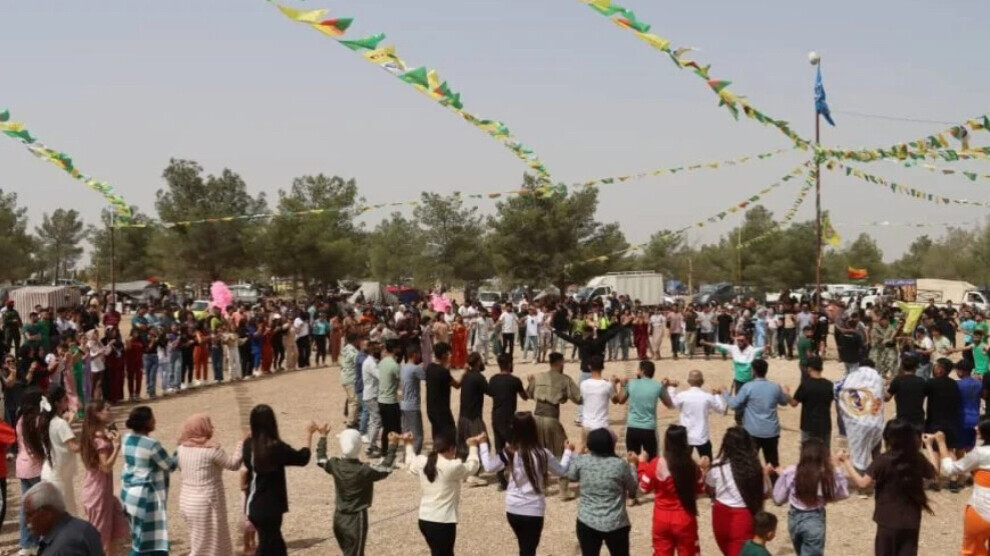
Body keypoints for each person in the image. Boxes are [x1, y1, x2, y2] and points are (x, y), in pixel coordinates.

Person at [839, 419, 937, 556]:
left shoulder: (883, 460)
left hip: (887, 519)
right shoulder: (917, 458)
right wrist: (930, 446)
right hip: (911, 520)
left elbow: (862, 483)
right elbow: (934, 473)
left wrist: (846, 462)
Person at [479, 415, 573, 556]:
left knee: (524, 547)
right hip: (533, 509)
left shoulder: (510, 452)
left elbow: (488, 466)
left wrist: (483, 444)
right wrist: (568, 451)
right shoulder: (542, 453)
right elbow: (561, 470)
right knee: (528, 550)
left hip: (513, 508)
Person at [315, 424, 400, 556]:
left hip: (338, 516)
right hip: (356, 518)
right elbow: (386, 468)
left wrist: (323, 436)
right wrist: (393, 445)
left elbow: (321, 459)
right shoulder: (364, 470)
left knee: (347, 551)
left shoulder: (335, 464)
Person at [242, 404, 315, 556]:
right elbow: (303, 458)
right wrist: (308, 435)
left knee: (275, 545)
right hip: (271, 507)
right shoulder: (276, 448)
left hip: (253, 504)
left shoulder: (249, 445)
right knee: (269, 546)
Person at [636, 424, 709, 556]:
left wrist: (641, 464)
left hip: (662, 518)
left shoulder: (656, 464)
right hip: (685, 518)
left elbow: (643, 487)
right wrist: (704, 470)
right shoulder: (692, 465)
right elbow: (701, 489)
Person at [407, 430, 483, 556]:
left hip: (424, 518)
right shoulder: (451, 467)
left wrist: (408, 444)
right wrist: (473, 447)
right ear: (451, 449)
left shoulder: (422, 461)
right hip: (442, 521)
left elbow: (410, 462)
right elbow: (472, 467)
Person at [176, 413, 243, 556]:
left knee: (198, 540)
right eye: (209, 425)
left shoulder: (180, 449)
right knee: (213, 542)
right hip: (207, 502)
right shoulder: (211, 450)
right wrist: (241, 446)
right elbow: (233, 464)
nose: (212, 427)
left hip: (187, 501)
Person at [566, 428, 638, 556]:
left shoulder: (583, 461)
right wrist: (633, 465)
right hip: (616, 522)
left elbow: (571, 475)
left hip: (587, 520)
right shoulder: (619, 465)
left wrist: (576, 454)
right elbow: (632, 488)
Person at [771, 438, 849, 555]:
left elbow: (778, 498)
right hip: (814, 519)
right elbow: (843, 493)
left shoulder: (791, 472)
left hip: (794, 518)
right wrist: (837, 467)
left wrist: (783, 476)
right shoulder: (825, 476)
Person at [706, 426, 772, 556]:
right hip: (743, 518)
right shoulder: (754, 468)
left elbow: (709, 488)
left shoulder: (717, 465)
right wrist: (766, 475)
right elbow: (766, 493)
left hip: (720, 515)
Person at [120, 406, 177, 555]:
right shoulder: (151, 444)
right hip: (146, 497)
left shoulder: (126, 439)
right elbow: (169, 465)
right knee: (150, 544)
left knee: (137, 538)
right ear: (146, 422)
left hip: (129, 494)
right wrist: (179, 450)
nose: (154, 421)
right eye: (152, 418)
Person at [526, 352, 582, 499]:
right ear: (561, 363)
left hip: (536, 418)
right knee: (562, 452)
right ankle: (563, 490)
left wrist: (530, 381)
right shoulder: (565, 379)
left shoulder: (538, 377)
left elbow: (529, 394)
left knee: (538, 452)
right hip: (551, 419)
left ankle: (541, 486)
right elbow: (579, 398)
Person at [931, 418, 990, 555]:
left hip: (980, 511)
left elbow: (950, 469)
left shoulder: (980, 453)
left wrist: (941, 443)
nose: (976, 428)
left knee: (971, 550)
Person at [79, 400, 128, 554]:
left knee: (112, 530)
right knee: (100, 536)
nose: (110, 410)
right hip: (99, 491)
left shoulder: (92, 434)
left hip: (97, 488)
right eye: (106, 409)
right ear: (97, 414)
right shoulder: (99, 441)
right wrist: (117, 447)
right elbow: (106, 467)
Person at [726, 359, 790, 469]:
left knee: (749, 462)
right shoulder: (775, 387)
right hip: (771, 431)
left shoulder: (748, 387)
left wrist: (724, 393)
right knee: (772, 463)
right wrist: (786, 393)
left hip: (752, 431)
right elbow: (784, 402)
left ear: (754, 371)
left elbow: (734, 404)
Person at [612, 359, 674, 460]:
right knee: (650, 460)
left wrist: (622, 386)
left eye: (638, 369)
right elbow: (669, 403)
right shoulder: (658, 386)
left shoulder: (631, 383)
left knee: (632, 459)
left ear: (642, 371)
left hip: (633, 427)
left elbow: (621, 400)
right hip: (649, 428)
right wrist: (665, 387)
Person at [486, 353, 529, 490]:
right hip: (509, 418)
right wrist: (531, 383)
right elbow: (525, 397)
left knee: (499, 447)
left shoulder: (493, 379)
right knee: (518, 446)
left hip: (496, 416)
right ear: (510, 364)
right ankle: (522, 475)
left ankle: (501, 480)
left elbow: (491, 393)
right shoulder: (514, 380)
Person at [25, 481, 103, 555]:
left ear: (47, 513)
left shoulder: (60, 549)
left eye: (29, 515)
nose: (26, 521)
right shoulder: (86, 528)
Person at [36, 387, 80, 516]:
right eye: (64, 400)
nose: (67, 402)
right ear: (57, 403)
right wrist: (90, 441)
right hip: (60, 476)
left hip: (49, 471)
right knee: (66, 514)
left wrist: (69, 422)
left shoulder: (44, 421)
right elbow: (74, 447)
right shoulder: (60, 424)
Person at [670, 370, 727, 460]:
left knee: (684, 464)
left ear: (688, 381)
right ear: (702, 382)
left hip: (686, 436)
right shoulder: (707, 397)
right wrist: (717, 395)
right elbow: (721, 409)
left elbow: (671, 405)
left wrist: (672, 388)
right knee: (707, 464)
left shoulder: (682, 395)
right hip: (702, 436)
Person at [925, 357, 963, 489]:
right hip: (951, 421)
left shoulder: (931, 383)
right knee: (950, 449)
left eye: (936, 366)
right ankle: (953, 479)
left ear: (940, 369)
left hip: (935, 420)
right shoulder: (954, 384)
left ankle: (935, 480)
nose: (934, 368)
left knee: (935, 450)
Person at [16, 388, 45, 555]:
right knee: (41, 507)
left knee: (25, 508)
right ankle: (41, 541)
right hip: (36, 467)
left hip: (22, 466)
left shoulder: (20, 420)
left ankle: (26, 544)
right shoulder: (37, 420)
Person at [456, 352, 488, 487]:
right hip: (474, 416)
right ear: (478, 362)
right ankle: (473, 474)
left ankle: (463, 472)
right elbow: (490, 390)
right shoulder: (479, 377)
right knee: (481, 443)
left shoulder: (467, 376)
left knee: (463, 445)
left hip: (463, 415)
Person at [786, 356, 834, 447]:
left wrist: (787, 394)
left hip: (808, 425)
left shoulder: (805, 385)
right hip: (825, 424)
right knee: (824, 455)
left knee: (807, 456)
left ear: (809, 368)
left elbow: (794, 403)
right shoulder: (829, 385)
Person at [425, 343, 460, 442]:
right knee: (449, 436)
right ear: (444, 355)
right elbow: (457, 385)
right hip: (442, 410)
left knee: (437, 435)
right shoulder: (443, 372)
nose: (450, 356)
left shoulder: (430, 368)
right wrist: (465, 372)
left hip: (431, 408)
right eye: (448, 353)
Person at [885, 356, 926, 431]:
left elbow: (886, 398)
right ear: (916, 367)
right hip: (918, 419)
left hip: (902, 419)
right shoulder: (921, 381)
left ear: (902, 366)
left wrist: (881, 387)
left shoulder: (898, 380)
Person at [377, 339, 403, 455]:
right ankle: (391, 452)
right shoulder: (394, 365)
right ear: (395, 349)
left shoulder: (381, 362)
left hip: (381, 400)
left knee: (386, 428)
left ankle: (384, 451)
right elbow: (401, 382)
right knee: (395, 429)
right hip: (391, 401)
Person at [400, 344, 427, 456]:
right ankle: (414, 456)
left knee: (406, 432)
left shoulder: (403, 367)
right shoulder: (416, 369)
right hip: (413, 405)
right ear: (414, 354)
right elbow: (425, 377)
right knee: (417, 434)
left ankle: (407, 454)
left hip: (403, 404)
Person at [361, 341, 384, 457]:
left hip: (371, 394)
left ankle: (372, 444)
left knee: (372, 421)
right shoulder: (370, 363)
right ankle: (370, 447)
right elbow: (380, 376)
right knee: (376, 421)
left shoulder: (372, 361)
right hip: (372, 395)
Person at [341, 332, 361, 429]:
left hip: (346, 377)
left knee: (351, 401)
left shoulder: (346, 348)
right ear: (356, 340)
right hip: (351, 378)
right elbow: (358, 361)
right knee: (354, 401)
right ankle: (351, 423)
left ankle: (353, 419)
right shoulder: (352, 350)